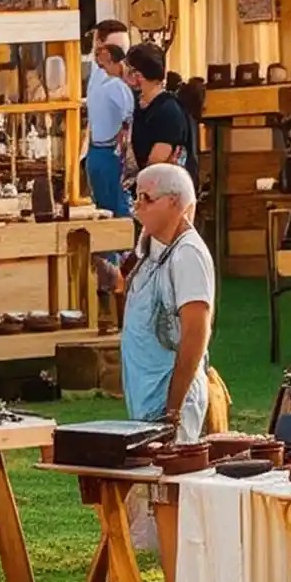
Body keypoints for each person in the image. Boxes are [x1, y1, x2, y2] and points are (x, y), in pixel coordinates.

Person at [121, 163, 215, 444]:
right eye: (135, 196)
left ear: (174, 202)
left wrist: (173, 410)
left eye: (146, 198)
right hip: (148, 401)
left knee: (171, 485)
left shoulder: (188, 254)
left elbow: (196, 334)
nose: (137, 206)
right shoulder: (151, 246)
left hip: (172, 405)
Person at [123, 44, 199, 187]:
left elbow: (155, 165)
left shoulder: (168, 111)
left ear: (137, 75)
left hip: (168, 191)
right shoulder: (139, 104)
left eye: (127, 69)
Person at [84, 20, 134, 217]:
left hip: (114, 154)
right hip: (102, 153)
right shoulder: (103, 78)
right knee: (108, 217)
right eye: (116, 50)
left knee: (119, 216)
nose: (121, 58)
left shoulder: (121, 80)